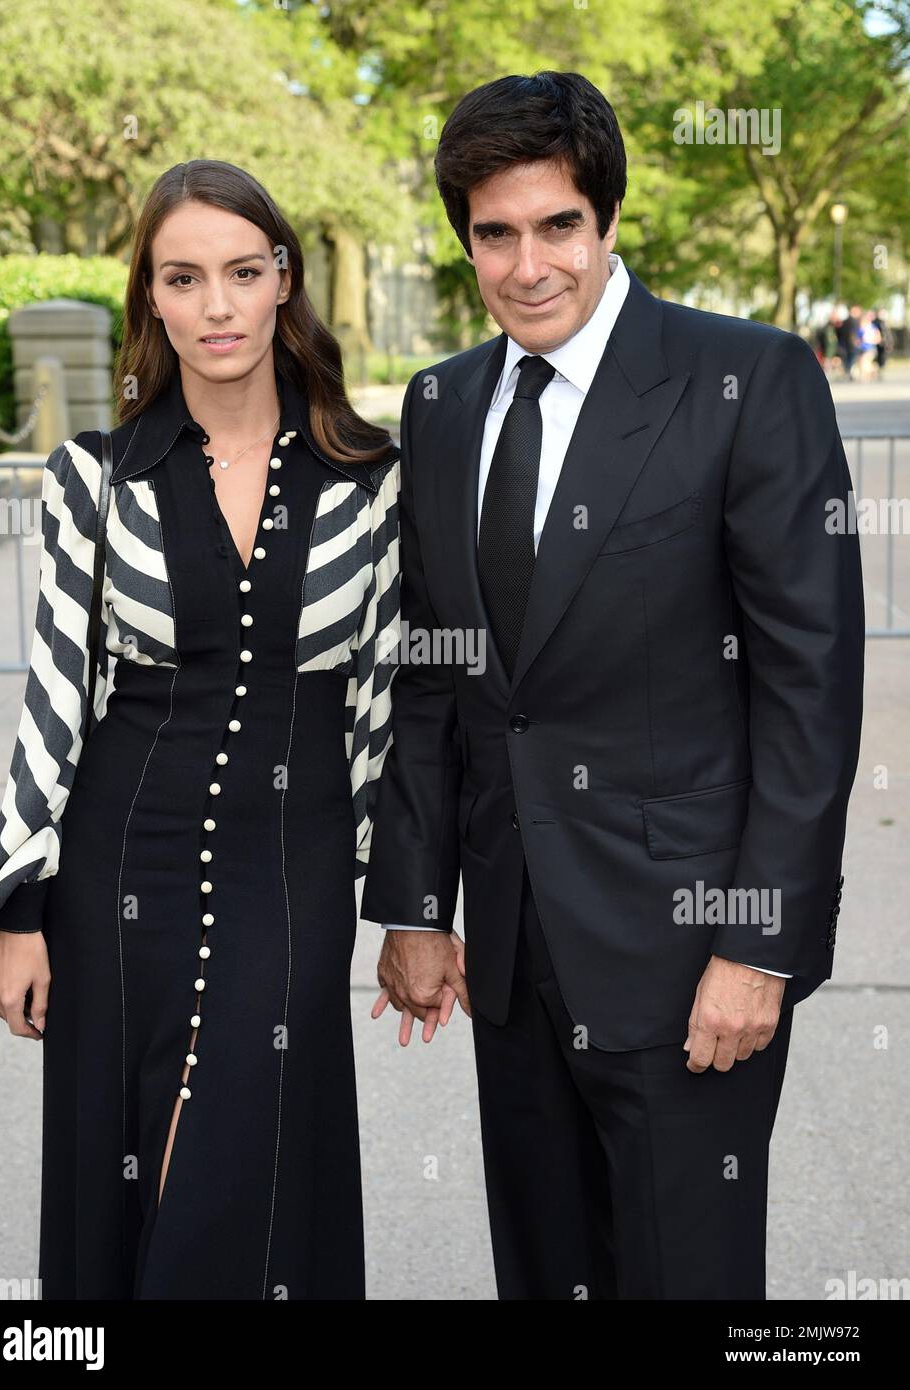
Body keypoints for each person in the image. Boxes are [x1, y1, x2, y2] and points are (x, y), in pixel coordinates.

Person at [361, 71, 865, 1300]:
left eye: (558, 226)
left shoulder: (746, 378)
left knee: (683, 1274)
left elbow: (810, 689)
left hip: (689, 954)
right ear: (465, 236)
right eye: (495, 232)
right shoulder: (441, 404)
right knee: (545, 1269)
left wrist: (762, 943)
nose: (528, 265)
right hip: (516, 951)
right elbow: (438, 677)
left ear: (607, 220)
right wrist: (418, 904)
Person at [0, 159, 400, 1300]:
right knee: (130, 1166)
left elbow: (388, 708)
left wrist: (414, 907)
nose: (217, 306)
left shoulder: (371, 478)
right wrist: (21, 911)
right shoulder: (92, 479)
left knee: (234, 1157)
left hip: (288, 872)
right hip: (118, 865)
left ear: (283, 282)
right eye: (183, 277)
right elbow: (57, 695)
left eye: (243, 273)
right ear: (149, 295)